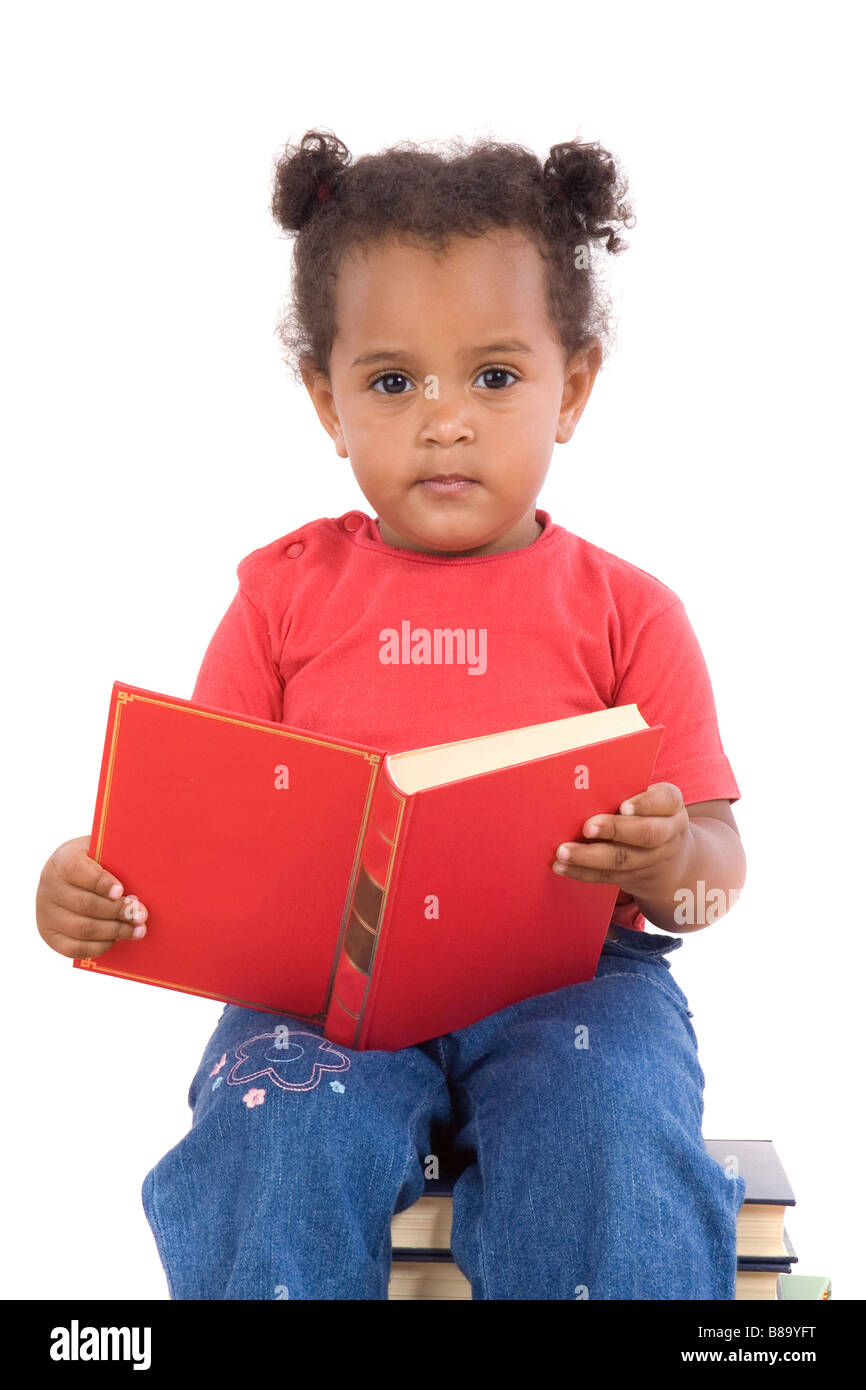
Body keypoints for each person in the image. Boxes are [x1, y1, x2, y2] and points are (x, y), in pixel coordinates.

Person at [35, 128, 748, 1300]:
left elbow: (717, 878)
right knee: (273, 1136)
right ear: (326, 399)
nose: (445, 419)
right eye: (390, 381)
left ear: (571, 388)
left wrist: (673, 853)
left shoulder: (630, 613)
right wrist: (93, 885)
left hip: (579, 984)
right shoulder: (280, 599)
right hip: (325, 995)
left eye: (495, 376)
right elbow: (192, 839)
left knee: (609, 1135)